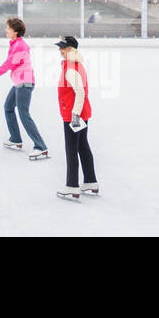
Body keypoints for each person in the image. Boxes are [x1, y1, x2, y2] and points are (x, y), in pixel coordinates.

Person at [0, 17, 48, 160]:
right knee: (8, 107)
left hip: (25, 83)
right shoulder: (15, 44)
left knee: (24, 114)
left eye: (8, 28)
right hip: (19, 82)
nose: (6, 30)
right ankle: (16, 139)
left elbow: (7, 66)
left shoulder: (20, 46)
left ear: (15, 31)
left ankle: (41, 147)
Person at [55, 36, 97, 200]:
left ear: (71, 50)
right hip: (81, 112)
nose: (60, 51)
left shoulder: (71, 68)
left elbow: (80, 92)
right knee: (82, 147)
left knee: (71, 150)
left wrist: (74, 115)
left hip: (74, 114)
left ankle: (72, 185)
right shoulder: (75, 65)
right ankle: (90, 181)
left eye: (63, 48)